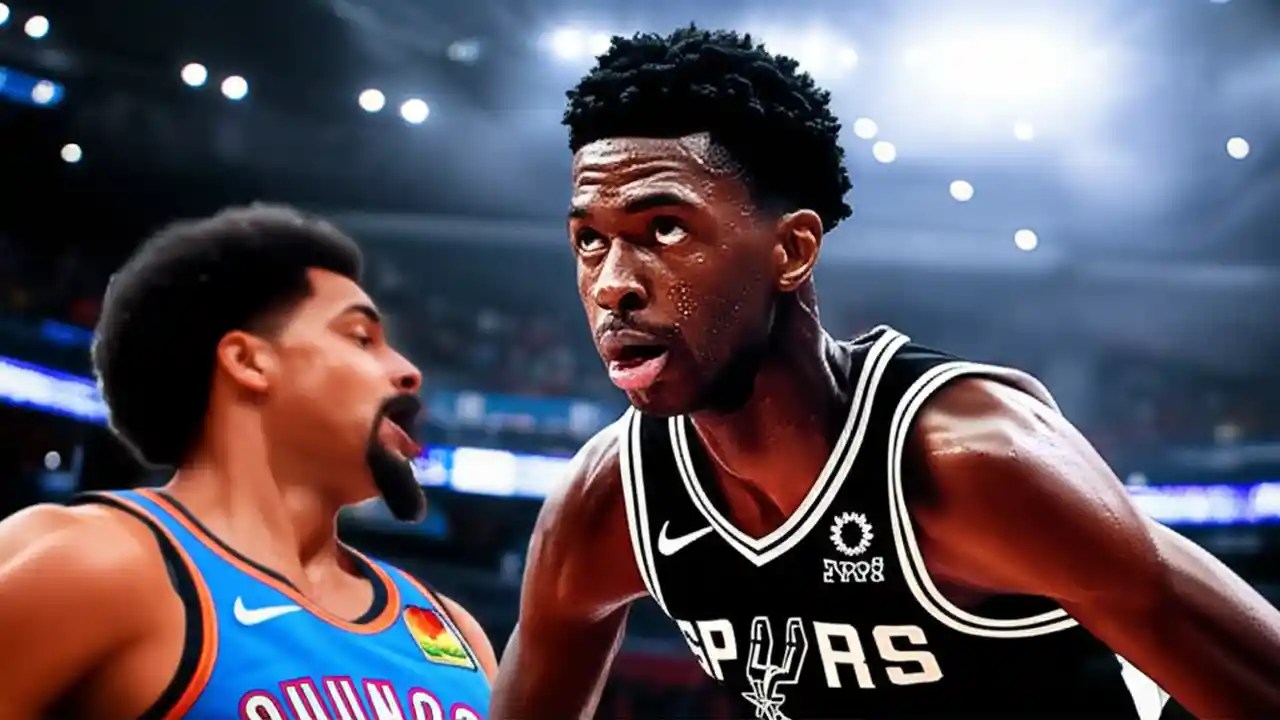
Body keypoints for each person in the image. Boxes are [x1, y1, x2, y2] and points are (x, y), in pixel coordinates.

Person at [491, 27, 1280, 720]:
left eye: (663, 228)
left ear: (793, 250)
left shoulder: (972, 463)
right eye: (590, 240)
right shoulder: (611, 500)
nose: (611, 283)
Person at [0, 205, 495, 719]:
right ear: (248, 361)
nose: (409, 371)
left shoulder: (451, 628)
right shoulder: (90, 561)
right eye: (361, 338)